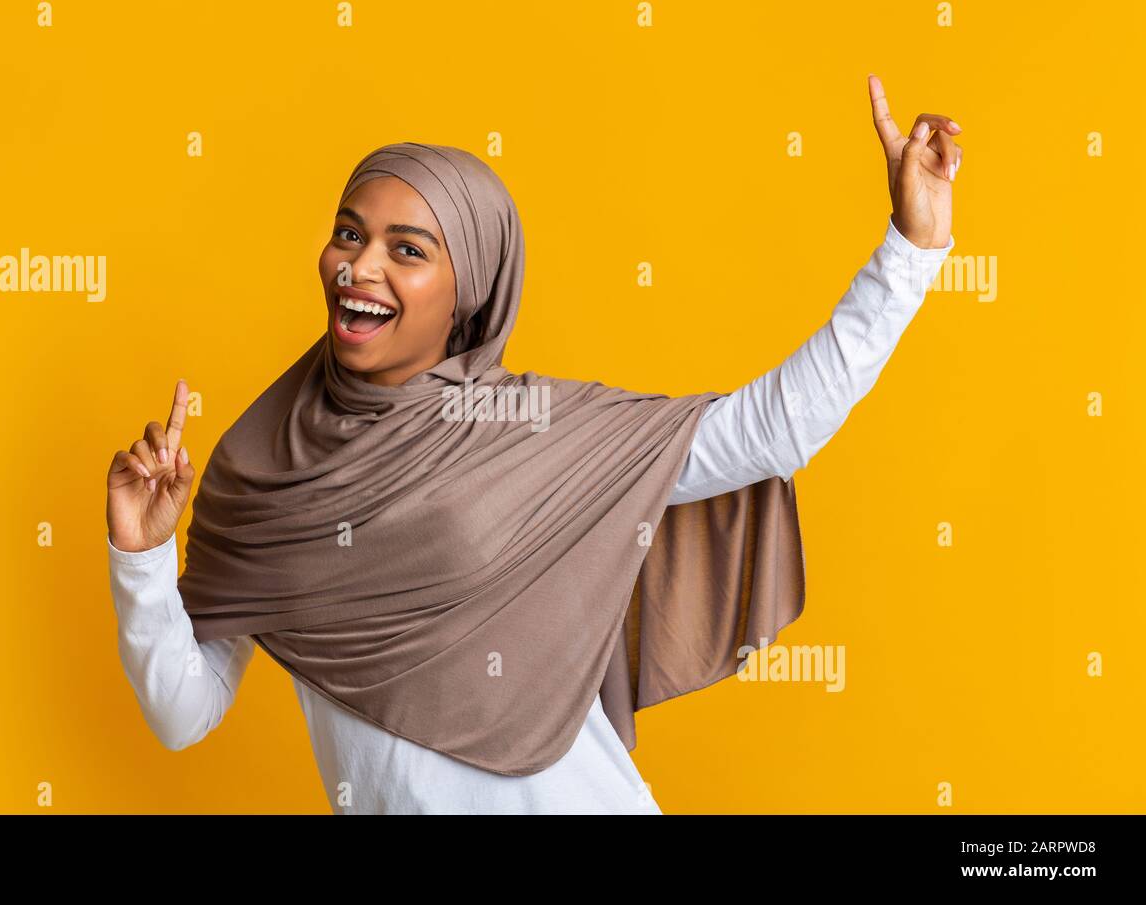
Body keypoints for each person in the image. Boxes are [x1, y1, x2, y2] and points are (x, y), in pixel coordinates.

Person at [106, 75, 962, 814]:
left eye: (409, 250)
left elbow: (772, 429)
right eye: (349, 233)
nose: (360, 267)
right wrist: (141, 558)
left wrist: (910, 249)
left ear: (464, 293)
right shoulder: (259, 470)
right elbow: (184, 712)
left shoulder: (535, 434)